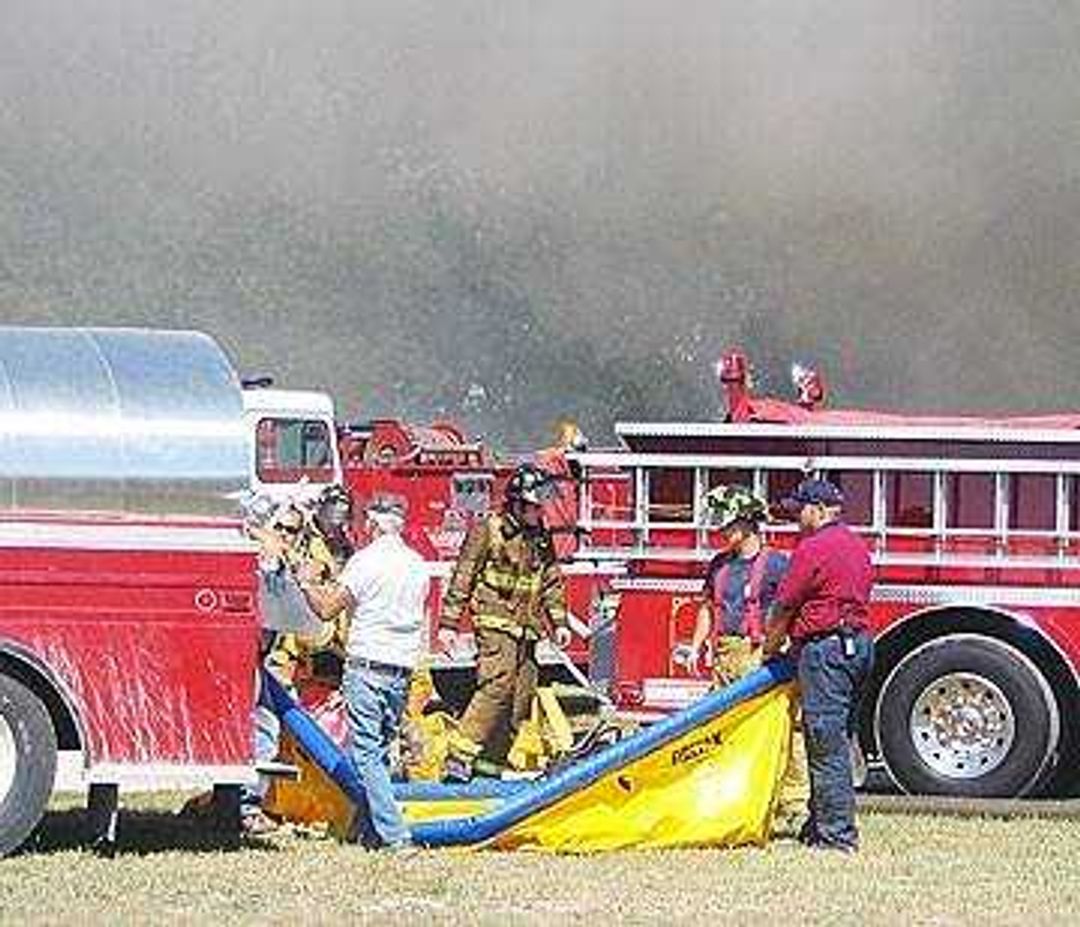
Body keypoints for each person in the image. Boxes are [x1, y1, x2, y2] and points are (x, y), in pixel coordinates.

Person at [300, 493, 429, 851]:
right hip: (402, 669)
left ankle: (395, 836)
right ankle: (366, 829)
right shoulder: (417, 564)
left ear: (371, 525)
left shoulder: (365, 561)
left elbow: (327, 609)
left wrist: (306, 581)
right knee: (381, 753)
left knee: (366, 755)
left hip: (367, 667)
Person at [687, 484, 809, 833]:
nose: (722, 533)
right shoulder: (719, 565)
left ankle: (794, 803)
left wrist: (780, 649)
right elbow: (709, 608)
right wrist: (697, 646)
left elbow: (790, 610)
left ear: (747, 523)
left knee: (784, 727)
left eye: (727, 527)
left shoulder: (776, 565)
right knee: (721, 728)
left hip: (761, 657)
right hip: (725, 655)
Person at [437, 463, 572, 781]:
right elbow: (463, 577)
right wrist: (448, 625)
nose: (541, 513)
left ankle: (489, 767)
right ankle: (458, 756)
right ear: (517, 503)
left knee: (520, 698)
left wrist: (560, 622)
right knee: (497, 684)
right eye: (535, 507)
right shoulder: (488, 530)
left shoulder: (540, 538)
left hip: (527, 630)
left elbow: (551, 581)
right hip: (494, 623)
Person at [763, 478, 874, 853]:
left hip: (824, 650)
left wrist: (770, 646)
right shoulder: (857, 546)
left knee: (824, 743)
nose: (797, 518)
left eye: (801, 510)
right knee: (839, 738)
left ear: (820, 510)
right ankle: (818, 823)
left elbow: (785, 604)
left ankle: (837, 836)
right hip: (857, 645)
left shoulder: (812, 548)